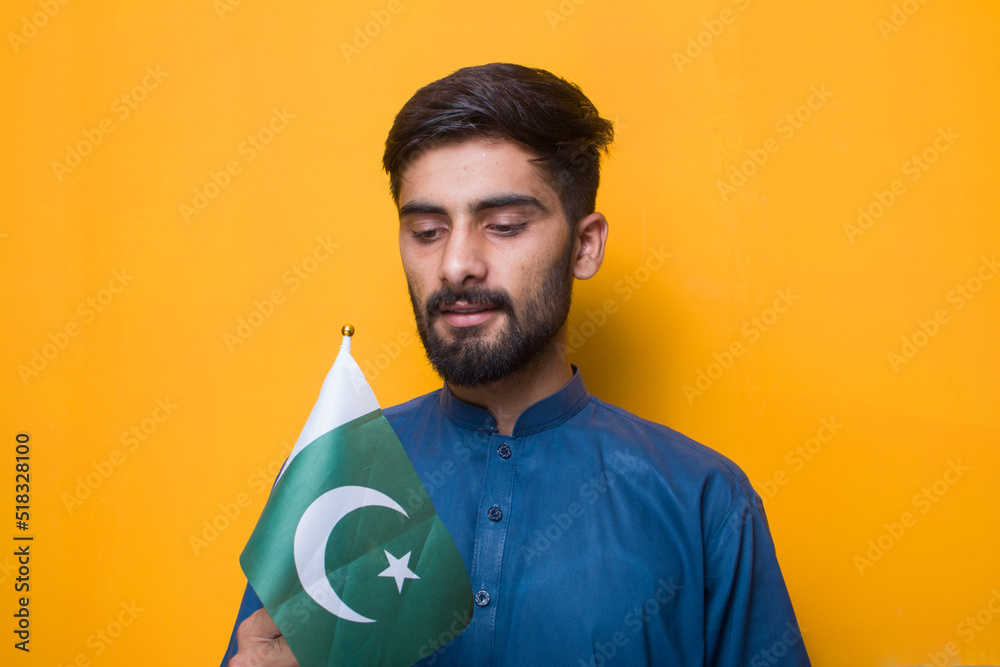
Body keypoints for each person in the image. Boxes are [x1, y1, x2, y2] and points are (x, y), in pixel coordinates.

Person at [222, 62, 811, 666]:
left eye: (503, 226)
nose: (456, 265)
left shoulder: (703, 500)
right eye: (426, 231)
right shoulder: (339, 480)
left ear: (584, 246)